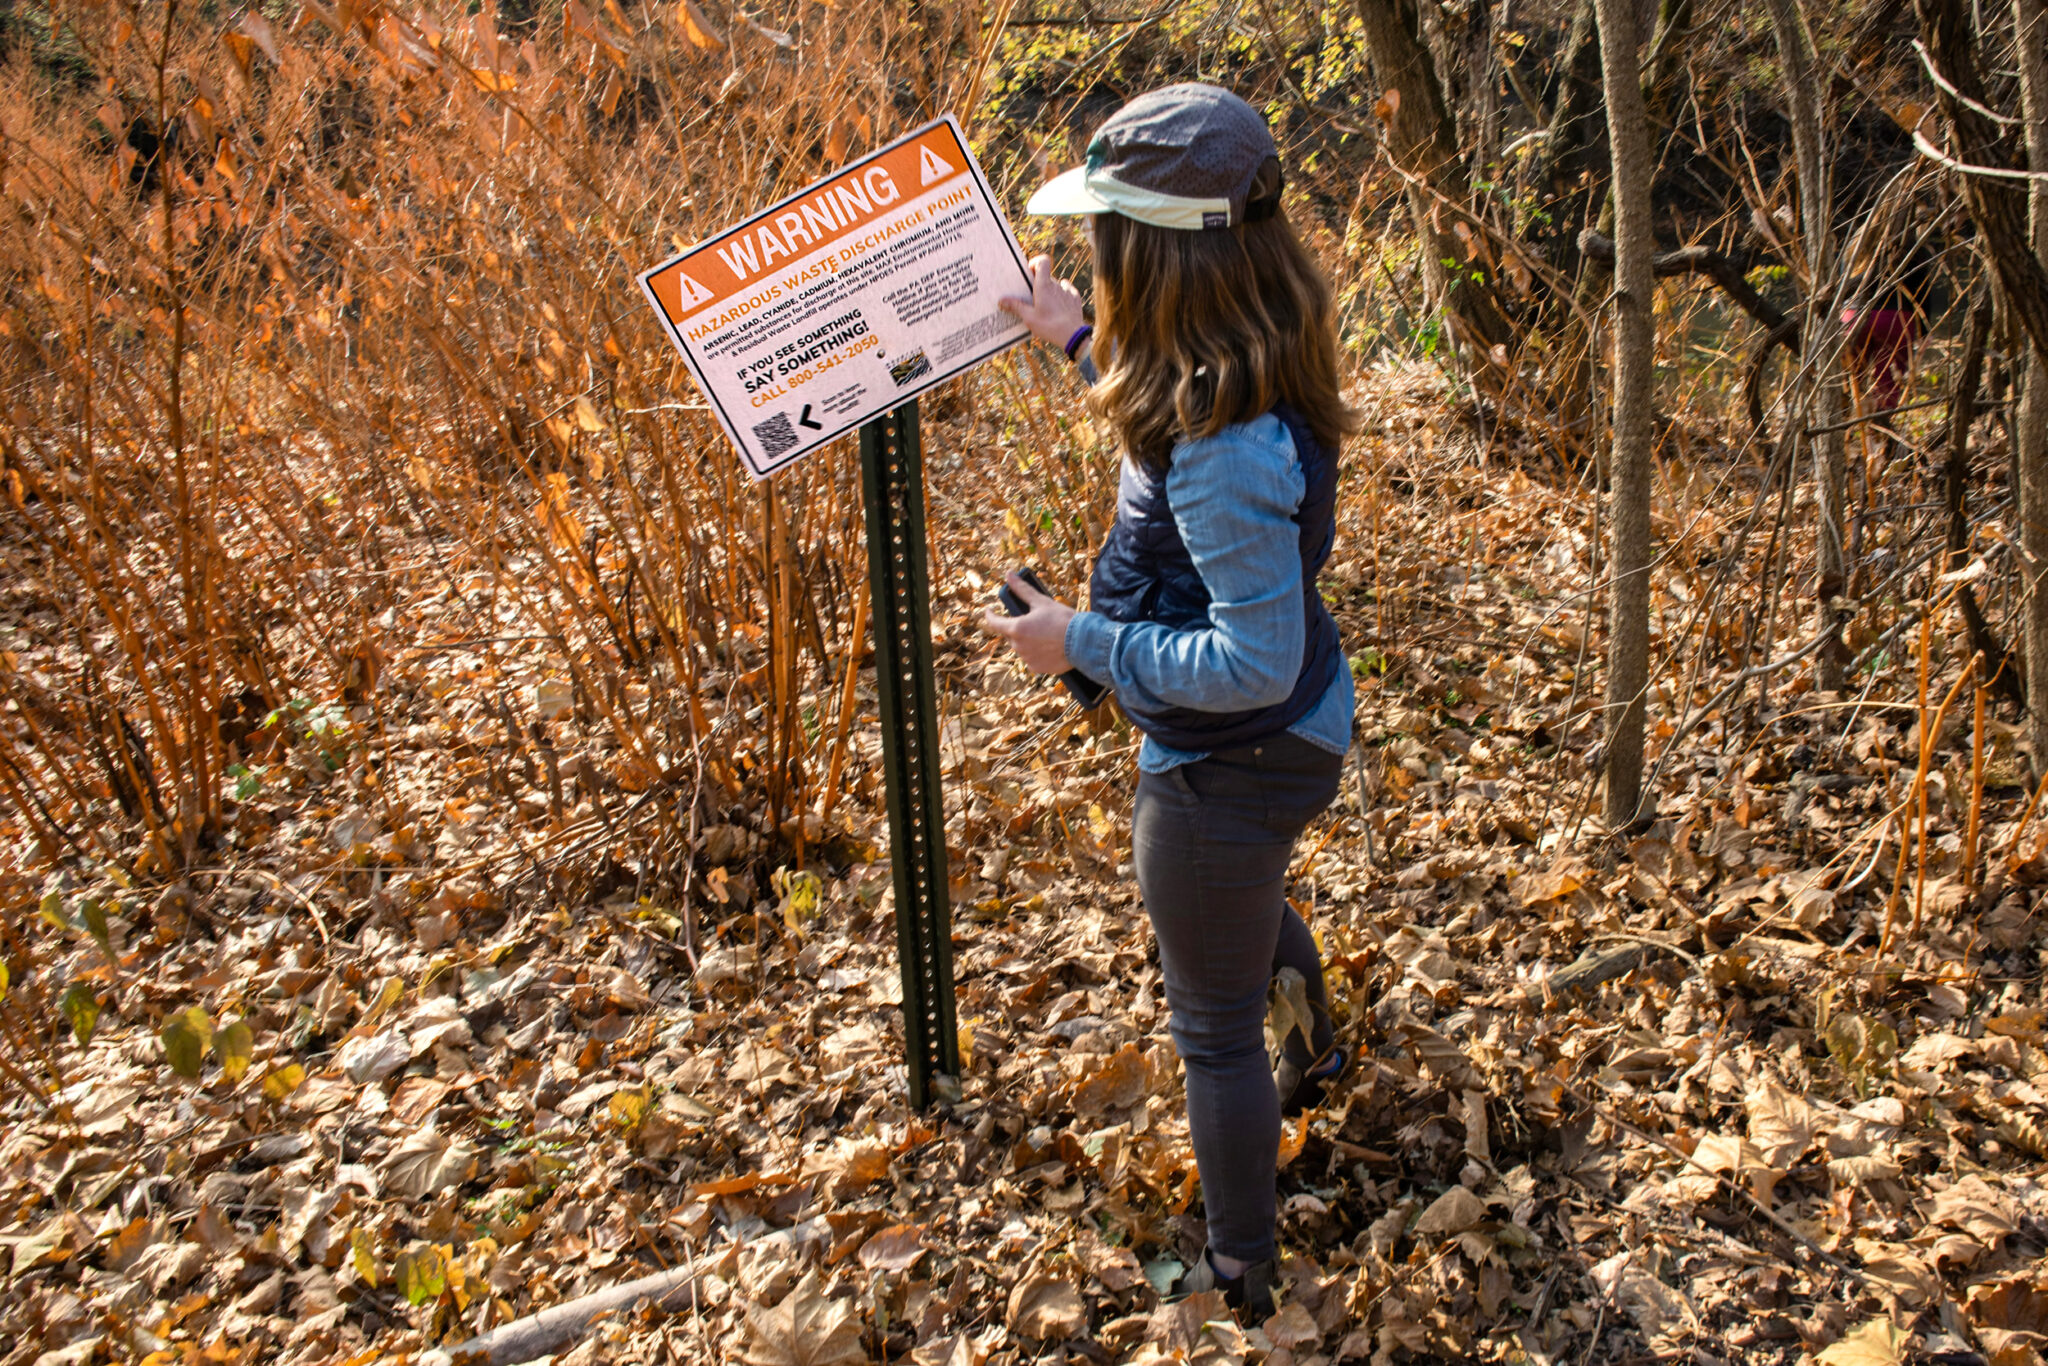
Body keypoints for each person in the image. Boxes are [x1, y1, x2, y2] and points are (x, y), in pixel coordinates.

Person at [978, 83, 1358, 1320]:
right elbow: (1175, 438)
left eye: (1107, 241)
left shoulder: (1221, 441)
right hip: (1291, 728)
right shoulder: (1247, 349)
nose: (1095, 252)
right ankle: (1321, 1040)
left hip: (1232, 755)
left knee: (1208, 1026)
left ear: (1157, 256)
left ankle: (1239, 1268)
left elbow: (1246, 655)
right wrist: (1078, 338)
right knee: (1244, 907)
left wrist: (1074, 638)